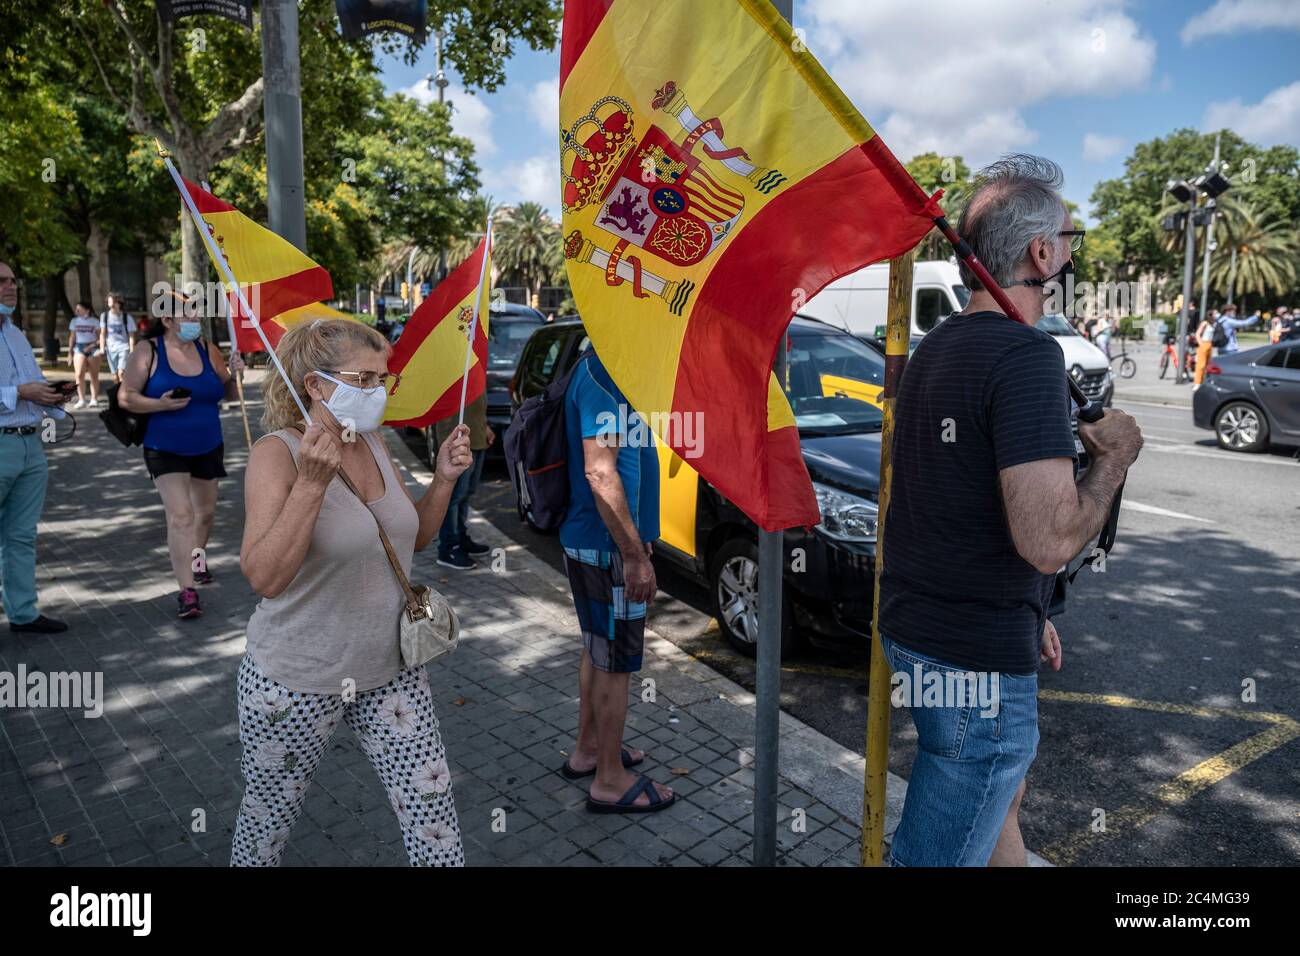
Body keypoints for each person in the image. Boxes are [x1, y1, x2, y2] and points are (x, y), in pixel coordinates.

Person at [878, 155, 1142, 867]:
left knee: (997, 801)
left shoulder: (935, 347)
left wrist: (1031, 614)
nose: (1068, 254)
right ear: (1041, 253)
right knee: (939, 846)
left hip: (921, 633)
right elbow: (1049, 539)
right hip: (973, 662)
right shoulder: (1026, 356)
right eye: (1068, 239)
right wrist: (1112, 461)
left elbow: (950, 501)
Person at [232, 318, 472, 867]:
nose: (377, 393)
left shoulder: (371, 440)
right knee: (266, 825)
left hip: (393, 672)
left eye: (381, 380)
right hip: (295, 679)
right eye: (363, 380)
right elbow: (264, 577)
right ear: (315, 385)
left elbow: (414, 536)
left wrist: (443, 480)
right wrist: (312, 485)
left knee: (434, 821)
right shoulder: (278, 454)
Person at [558, 346, 674, 814]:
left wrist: (639, 537)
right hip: (607, 550)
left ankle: (590, 750)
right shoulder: (605, 373)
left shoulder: (609, 365)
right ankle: (609, 778)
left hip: (603, 544)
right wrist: (633, 554)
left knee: (598, 650)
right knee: (615, 663)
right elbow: (600, 471)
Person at [118, 294, 241, 619]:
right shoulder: (149, 350)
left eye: (194, 313)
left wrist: (235, 373)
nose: (193, 319)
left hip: (208, 443)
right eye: (184, 314)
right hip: (164, 447)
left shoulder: (206, 348)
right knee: (182, 516)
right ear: (168, 321)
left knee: (206, 514)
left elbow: (228, 392)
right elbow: (126, 397)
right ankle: (187, 591)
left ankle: (197, 560)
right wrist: (160, 404)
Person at [0, 260, 69, 634]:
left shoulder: (15, 334)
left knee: (21, 535)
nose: (11, 287)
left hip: (30, 445)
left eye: (13, 280)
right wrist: (20, 393)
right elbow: (20, 390)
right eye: (2, 281)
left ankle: (23, 612)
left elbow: (34, 383)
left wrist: (53, 396)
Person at [432, 392, 493, 570]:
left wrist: (484, 425)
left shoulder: (475, 366)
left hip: (477, 437)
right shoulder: (448, 367)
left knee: (466, 493)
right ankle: (448, 547)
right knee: (453, 497)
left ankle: (460, 537)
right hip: (458, 443)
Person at [67, 301, 103, 407]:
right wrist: (69, 352)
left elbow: (100, 338)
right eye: (76, 309)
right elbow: (72, 337)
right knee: (79, 374)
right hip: (79, 347)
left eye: (79, 309)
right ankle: (81, 399)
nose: (76, 311)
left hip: (93, 347)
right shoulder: (74, 321)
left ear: (87, 310)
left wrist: (91, 346)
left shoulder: (95, 321)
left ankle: (94, 399)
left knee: (94, 374)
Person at [100, 292, 137, 384]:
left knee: (122, 373)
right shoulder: (104, 316)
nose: (111, 304)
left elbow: (131, 335)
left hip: (123, 347)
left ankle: (123, 392)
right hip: (110, 348)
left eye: (113, 302)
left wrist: (132, 350)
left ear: (118, 303)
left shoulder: (126, 317)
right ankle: (118, 392)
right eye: (109, 302)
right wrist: (102, 348)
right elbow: (103, 333)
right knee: (115, 375)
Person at [1193, 309, 1216, 385]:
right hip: (1204, 343)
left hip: (1210, 344)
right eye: (1215, 314)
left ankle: (1204, 381)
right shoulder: (1205, 323)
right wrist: (1201, 344)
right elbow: (1197, 334)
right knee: (1201, 365)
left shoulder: (1212, 324)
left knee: (1208, 364)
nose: (1216, 315)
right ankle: (1197, 382)